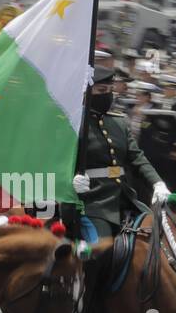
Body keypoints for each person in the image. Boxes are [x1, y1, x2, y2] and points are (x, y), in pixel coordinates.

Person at [70, 67, 169, 240]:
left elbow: (137, 157)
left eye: (110, 90)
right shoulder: (74, 124)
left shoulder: (119, 122)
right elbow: (61, 161)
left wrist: (158, 183)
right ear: (86, 92)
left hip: (125, 197)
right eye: (101, 90)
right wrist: (70, 182)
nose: (107, 95)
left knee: (160, 236)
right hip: (92, 201)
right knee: (100, 251)